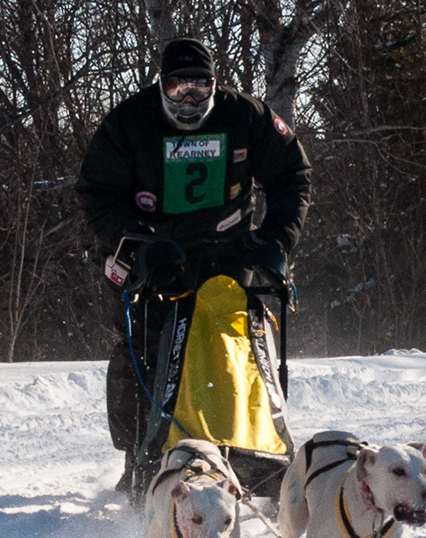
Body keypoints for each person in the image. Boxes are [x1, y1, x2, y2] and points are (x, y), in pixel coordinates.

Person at [76, 37, 312, 494]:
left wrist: (275, 241)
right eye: (178, 88)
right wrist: (137, 245)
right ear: (161, 85)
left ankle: (248, 445)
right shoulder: (128, 122)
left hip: (230, 250)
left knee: (234, 344)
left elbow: (292, 175)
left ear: (215, 85)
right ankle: (141, 456)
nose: (189, 99)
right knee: (145, 348)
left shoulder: (246, 116)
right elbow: (97, 196)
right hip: (155, 252)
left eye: (200, 87)